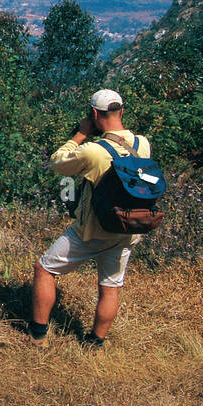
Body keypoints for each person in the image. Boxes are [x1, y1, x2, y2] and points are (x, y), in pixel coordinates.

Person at [31, 89, 153, 350]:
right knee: (110, 288)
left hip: (93, 230)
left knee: (45, 269)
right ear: (122, 111)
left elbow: (57, 163)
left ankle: (38, 335)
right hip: (128, 227)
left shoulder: (93, 150)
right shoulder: (143, 143)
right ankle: (95, 343)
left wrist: (80, 134)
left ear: (95, 114)